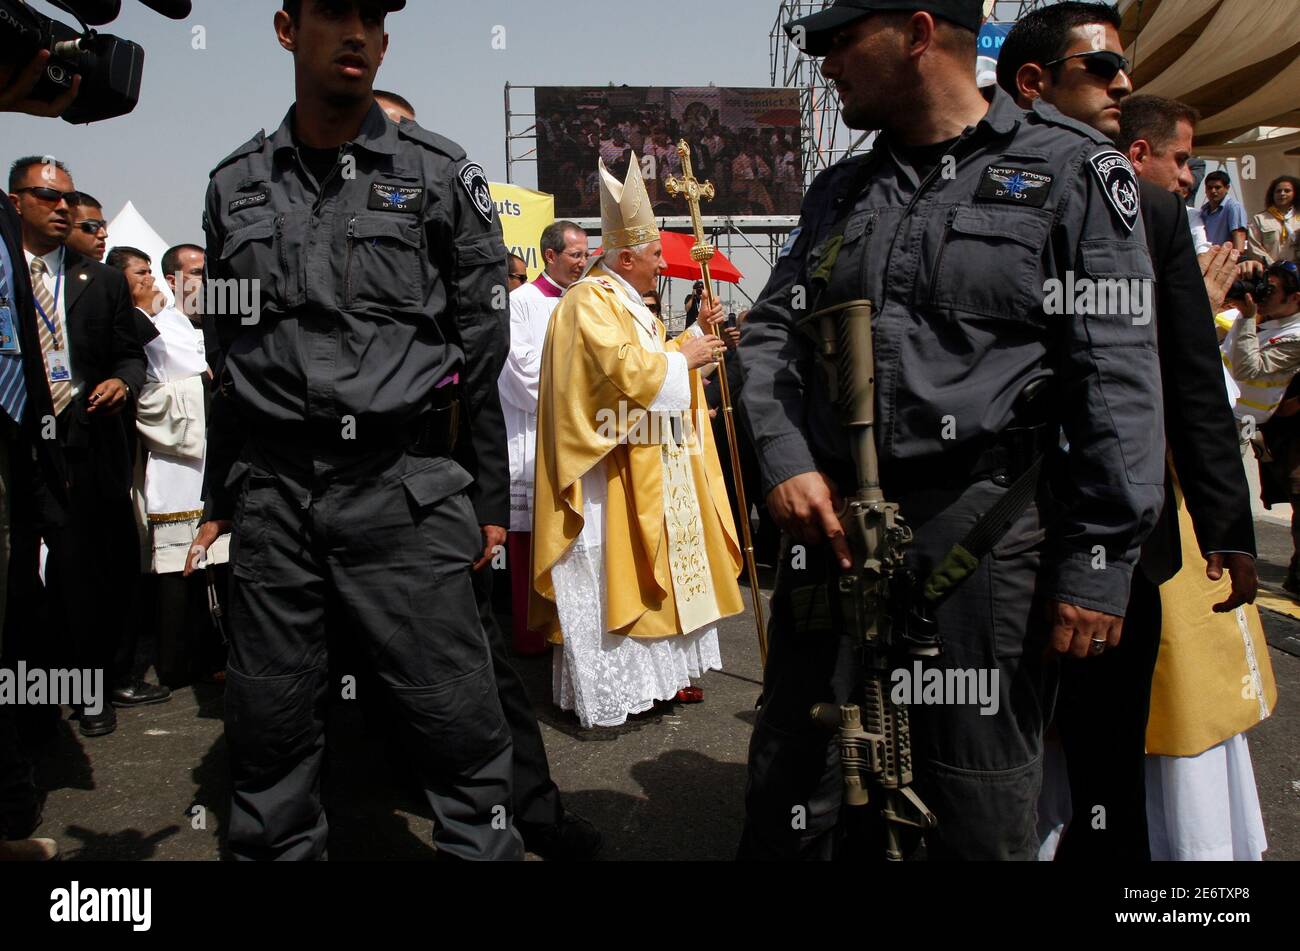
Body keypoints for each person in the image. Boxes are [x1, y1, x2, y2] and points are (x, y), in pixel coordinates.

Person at [738, 0, 1165, 861]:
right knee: (800, 774)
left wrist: (1100, 558)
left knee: (971, 794)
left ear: (920, 33)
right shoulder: (841, 189)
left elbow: (1115, 375)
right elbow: (768, 335)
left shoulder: (1072, 172)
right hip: (833, 529)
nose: (826, 65)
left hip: (980, 537)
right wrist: (783, 457)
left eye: (842, 42)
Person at [188, 0, 523, 861]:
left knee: (456, 718)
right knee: (266, 725)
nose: (357, 34)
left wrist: (427, 436)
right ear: (285, 28)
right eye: (334, 13)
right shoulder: (234, 184)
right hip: (275, 495)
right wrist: (224, 491)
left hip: (399, 487)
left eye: (372, 18)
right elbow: (224, 348)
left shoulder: (442, 173)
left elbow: (482, 341)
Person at [1000, 7, 1261, 859]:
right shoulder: (975, 195)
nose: (1123, 84)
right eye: (1101, 67)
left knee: (1109, 775)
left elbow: (1188, 374)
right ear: (1032, 82)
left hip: (1118, 551)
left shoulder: (1147, 211)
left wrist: (1226, 523)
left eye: (1126, 69)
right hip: (994, 538)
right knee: (994, 759)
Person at [375, 93, 601, 860]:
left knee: (479, 669)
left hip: (428, 480)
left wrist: (479, 497)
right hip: (319, 492)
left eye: (403, 129)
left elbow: (480, 369)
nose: (390, 145)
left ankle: (533, 814)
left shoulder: (445, 210)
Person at [530, 155, 742, 728]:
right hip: (602, 472)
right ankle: (604, 695)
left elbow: (651, 364)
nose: (660, 268)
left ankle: (651, 686)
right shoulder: (588, 301)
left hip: (641, 458)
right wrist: (681, 357)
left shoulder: (629, 304)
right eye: (653, 258)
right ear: (626, 256)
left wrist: (695, 337)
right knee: (606, 580)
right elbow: (614, 378)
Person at [10, 156, 152, 738]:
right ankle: (26, 697)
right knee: (18, 576)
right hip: (17, 442)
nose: (63, 207)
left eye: (68, 198)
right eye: (47, 196)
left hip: (84, 444)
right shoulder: (4, 275)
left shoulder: (102, 280)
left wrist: (124, 380)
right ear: (15, 201)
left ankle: (91, 689)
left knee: (83, 572)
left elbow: (130, 352)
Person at [131, 244, 230, 687]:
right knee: (177, 572)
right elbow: (148, 397)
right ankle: (177, 662)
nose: (205, 281)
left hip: (218, 462)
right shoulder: (158, 330)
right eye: (195, 272)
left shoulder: (220, 327)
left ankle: (221, 652)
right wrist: (202, 387)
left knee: (223, 565)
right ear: (172, 280)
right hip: (180, 464)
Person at [500, 221, 587, 655]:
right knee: (532, 548)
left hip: (583, 445)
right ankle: (533, 642)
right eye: (575, 254)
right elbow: (524, 374)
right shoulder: (520, 303)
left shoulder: (586, 303)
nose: (583, 261)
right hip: (535, 444)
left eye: (586, 253)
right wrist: (586, 394)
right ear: (550, 256)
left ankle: (576, 641)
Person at [1247, 175, 1300, 266]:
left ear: (1295, 193)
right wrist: (1274, 267)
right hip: (1270, 272)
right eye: (1278, 191)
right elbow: (1254, 247)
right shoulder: (1259, 219)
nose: (1282, 194)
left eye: (1287, 191)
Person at [1200, 170, 1248, 253]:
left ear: (1227, 188)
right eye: (1209, 187)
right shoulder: (1203, 211)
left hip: (1224, 260)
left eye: (1217, 187)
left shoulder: (1233, 207)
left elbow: (1239, 235)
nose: (1213, 191)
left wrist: (1237, 258)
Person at [66, 192, 109, 263]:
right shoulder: (47, 270)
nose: (103, 234)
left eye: (103, 225)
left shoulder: (109, 273)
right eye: (92, 226)